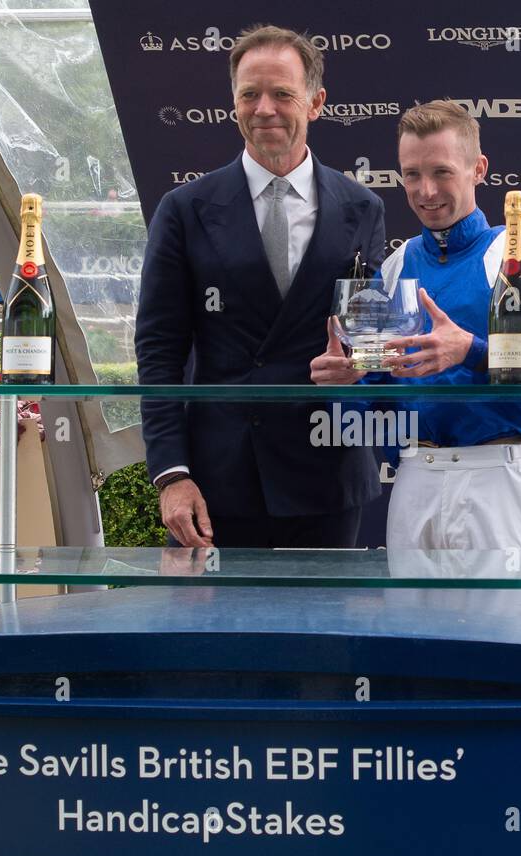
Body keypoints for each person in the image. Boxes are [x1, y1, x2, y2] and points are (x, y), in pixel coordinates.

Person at [135, 24, 385, 548]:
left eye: (282, 94)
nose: (264, 108)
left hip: (328, 474)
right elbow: (158, 351)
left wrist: (361, 362)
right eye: (249, 94)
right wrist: (172, 474)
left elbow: (368, 336)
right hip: (218, 483)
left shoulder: (363, 207)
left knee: (323, 631)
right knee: (223, 632)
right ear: (233, 103)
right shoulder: (185, 210)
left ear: (315, 103)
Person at [311, 99, 521, 551]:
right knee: (412, 624)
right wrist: (349, 379)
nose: (426, 191)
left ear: (478, 168)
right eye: (411, 174)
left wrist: (473, 351)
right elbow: (373, 398)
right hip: (413, 478)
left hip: (498, 481)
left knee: (511, 623)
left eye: (442, 172)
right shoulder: (394, 267)